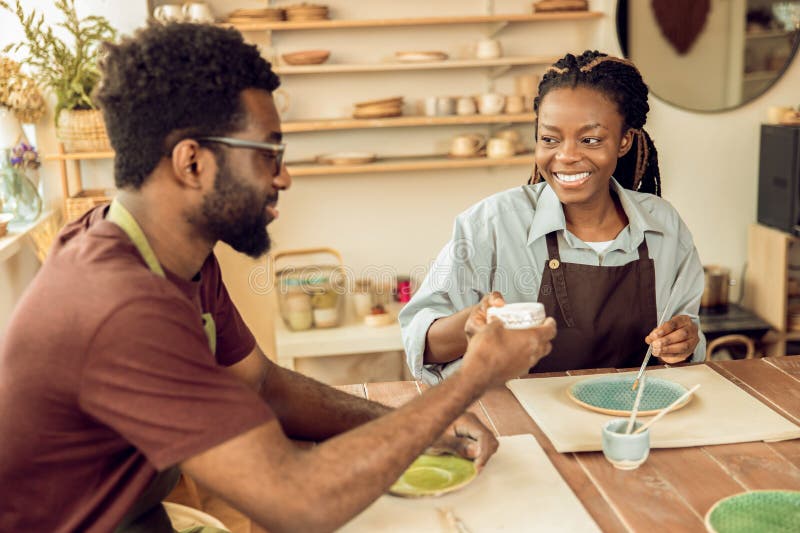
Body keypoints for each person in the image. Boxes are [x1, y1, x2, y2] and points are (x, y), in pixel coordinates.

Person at [0, 24, 557, 532]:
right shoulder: (120, 305)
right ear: (192, 163)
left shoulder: (173, 253)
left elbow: (261, 385)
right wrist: (473, 377)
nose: (284, 177)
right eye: (270, 154)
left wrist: (420, 427)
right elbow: (296, 502)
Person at [400, 50, 705, 384]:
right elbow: (422, 343)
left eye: (590, 139)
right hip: (518, 423)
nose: (567, 156)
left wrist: (684, 342)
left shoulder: (663, 227)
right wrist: (470, 323)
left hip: (630, 419)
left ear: (623, 141)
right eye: (549, 139)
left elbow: (685, 340)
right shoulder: (492, 224)